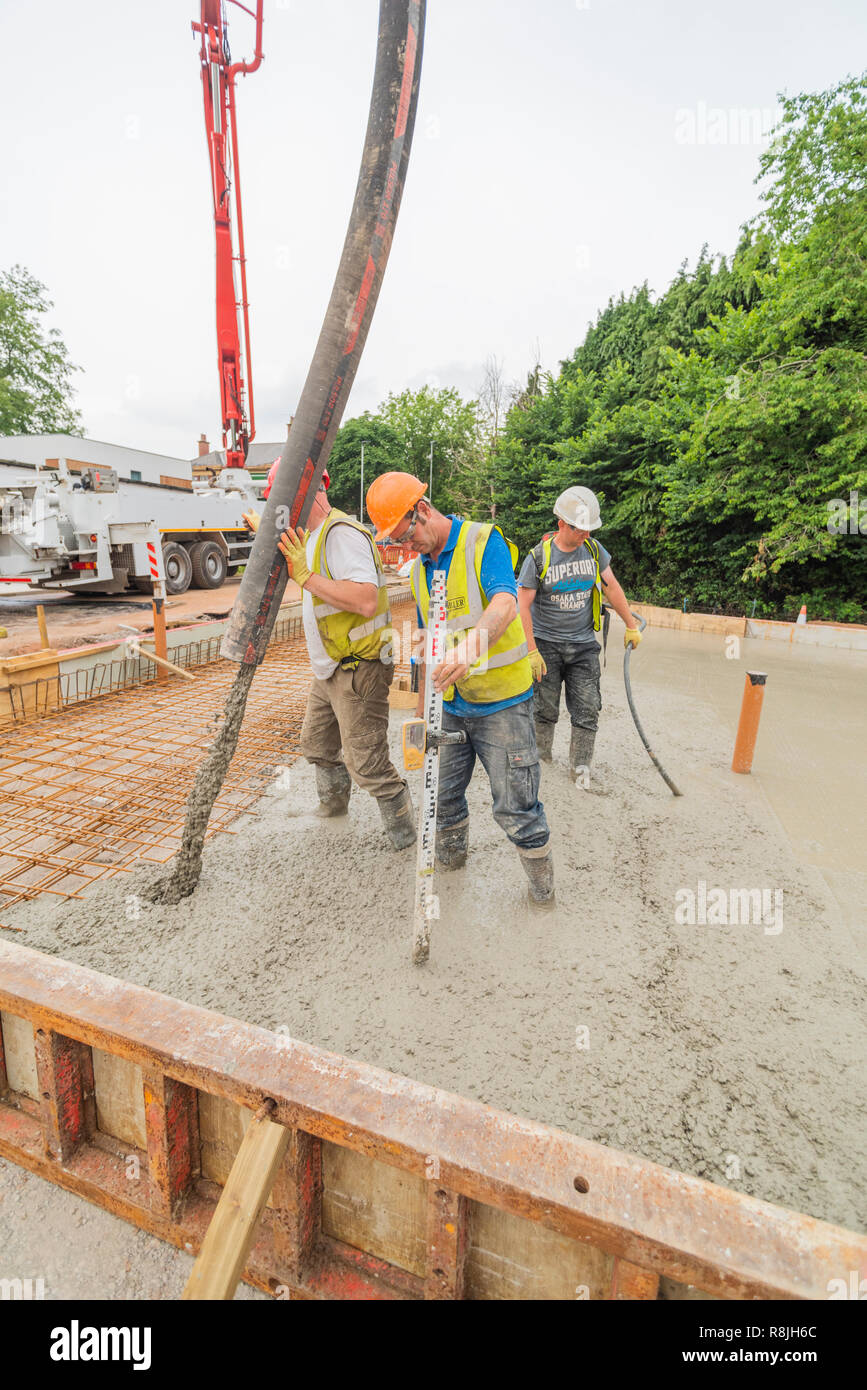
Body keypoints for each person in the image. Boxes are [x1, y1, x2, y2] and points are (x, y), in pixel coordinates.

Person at [365, 472, 555, 907]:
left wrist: (471, 648)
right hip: (449, 706)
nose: (405, 546)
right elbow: (425, 640)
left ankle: (543, 896)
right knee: (442, 799)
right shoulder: (419, 571)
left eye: (405, 534)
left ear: (424, 511)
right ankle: (452, 877)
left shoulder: (481, 542)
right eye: (395, 539)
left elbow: (505, 602)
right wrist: (419, 712)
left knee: (516, 808)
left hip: (503, 704)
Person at [243, 463, 414, 848]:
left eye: (283, 499)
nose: (280, 507)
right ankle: (334, 812)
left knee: (368, 765)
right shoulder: (313, 536)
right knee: (317, 745)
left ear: (307, 493)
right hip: (330, 667)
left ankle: (404, 838)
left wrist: (305, 577)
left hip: (360, 668)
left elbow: (366, 600)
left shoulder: (341, 535)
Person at [517, 485, 642, 789]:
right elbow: (521, 605)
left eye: (589, 528)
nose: (585, 533)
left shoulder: (594, 550)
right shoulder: (538, 558)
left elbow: (611, 586)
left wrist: (630, 624)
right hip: (546, 645)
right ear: (561, 523)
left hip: (583, 645)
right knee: (543, 710)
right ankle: (541, 762)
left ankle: (580, 771)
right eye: (579, 528)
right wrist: (530, 650)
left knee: (588, 709)